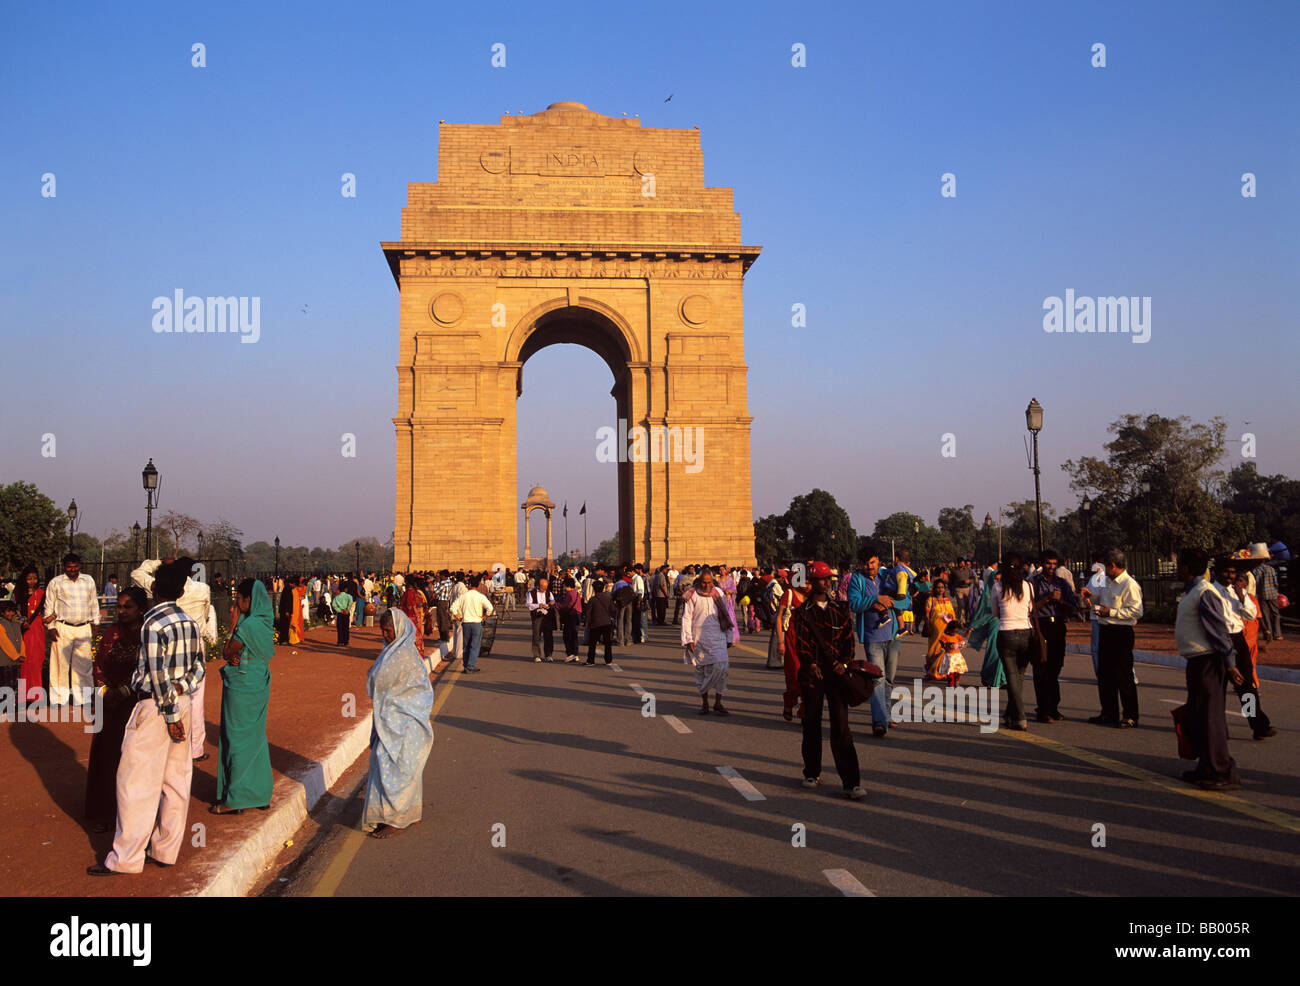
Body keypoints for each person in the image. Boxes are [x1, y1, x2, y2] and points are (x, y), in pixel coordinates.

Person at [88, 560, 205, 876]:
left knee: (134, 782)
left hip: (156, 708)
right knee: (175, 781)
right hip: (180, 702)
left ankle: (126, 858)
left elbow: (156, 674)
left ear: (153, 589)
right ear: (181, 591)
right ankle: (165, 849)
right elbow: (199, 668)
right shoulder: (189, 622)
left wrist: (168, 714)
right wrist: (180, 694)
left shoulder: (152, 623)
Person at [785, 562, 865, 800]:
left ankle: (852, 782)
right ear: (812, 581)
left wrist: (845, 662)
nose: (827, 582)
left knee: (842, 728)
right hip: (813, 675)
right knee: (811, 724)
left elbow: (849, 640)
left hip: (837, 674)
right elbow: (801, 644)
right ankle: (811, 772)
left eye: (829, 579)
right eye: (822, 579)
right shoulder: (801, 613)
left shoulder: (840, 609)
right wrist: (810, 664)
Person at [1175, 548, 1242, 791]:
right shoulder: (1192, 591)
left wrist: (1230, 665)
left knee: (1211, 718)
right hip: (1197, 661)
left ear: (1188, 567)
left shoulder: (1204, 592)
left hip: (1209, 662)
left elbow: (1219, 631)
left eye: (1179, 564)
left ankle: (1222, 770)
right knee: (1199, 715)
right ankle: (1207, 766)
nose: (1176, 568)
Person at [363, 610, 434, 838]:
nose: (386, 634)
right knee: (387, 765)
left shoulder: (403, 654)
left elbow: (377, 680)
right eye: (383, 630)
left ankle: (398, 818)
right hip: (390, 719)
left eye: (389, 630)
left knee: (399, 768)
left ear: (400, 628)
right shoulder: (391, 652)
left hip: (405, 721)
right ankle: (397, 814)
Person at [85, 586, 149, 832]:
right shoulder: (111, 632)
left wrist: (124, 691)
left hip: (135, 703)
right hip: (109, 701)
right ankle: (106, 813)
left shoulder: (147, 634)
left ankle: (131, 814)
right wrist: (103, 690)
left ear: (141, 609)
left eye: (127, 606)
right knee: (107, 756)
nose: (121, 611)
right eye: (119, 606)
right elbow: (98, 663)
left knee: (131, 759)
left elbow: (145, 671)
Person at [211, 579, 275, 814]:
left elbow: (228, 652)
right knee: (255, 736)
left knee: (236, 737)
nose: (236, 602)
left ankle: (236, 798)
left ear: (249, 600)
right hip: (258, 680)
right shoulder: (264, 622)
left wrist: (231, 626)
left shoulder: (246, 626)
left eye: (239, 597)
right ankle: (259, 792)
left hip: (242, 683)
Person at [1212, 562, 1276, 740]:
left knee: (1247, 686)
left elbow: (1250, 614)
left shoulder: (1237, 592)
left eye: (1233, 573)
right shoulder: (1210, 592)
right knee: (1219, 688)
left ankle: (1258, 725)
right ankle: (1218, 728)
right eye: (1226, 571)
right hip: (1219, 639)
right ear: (1216, 572)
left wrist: (1241, 596)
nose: (1230, 576)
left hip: (1238, 639)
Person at [1083, 549, 1144, 728]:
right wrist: (1089, 596)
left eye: (1106, 566)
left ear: (1113, 566)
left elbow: (1136, 611)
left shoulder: (1129, 584)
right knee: (1105, 674)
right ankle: (1108, 713)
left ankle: (1131, 715)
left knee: (1123, 674)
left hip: (1121, 632)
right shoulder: (1107, 582)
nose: (1104, 569)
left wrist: (1112, 612)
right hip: (1105, 629)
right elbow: (1099, 600)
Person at [848, 552, 901, 738]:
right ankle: (879, 722)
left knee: (890, 679)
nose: (869, 566)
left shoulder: (888, 576)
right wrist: (875, 600)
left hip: (892, 635)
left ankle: (886, 714)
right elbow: (854, 604)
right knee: (878, 678)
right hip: (873, 637)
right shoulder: (857, 579)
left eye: (872, 562)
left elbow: (906, 599)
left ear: (878, 560)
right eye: (865, 563)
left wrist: (891, 602)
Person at [989, 553, 1042, 731]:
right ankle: (1010, 714)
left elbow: (995, 612)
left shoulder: (997, 587)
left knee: (1011, 676)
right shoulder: (1027, 585)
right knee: (1019, 676)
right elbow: (1031, 609)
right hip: (1026, 632)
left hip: (1006, 632)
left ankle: (1019, 716)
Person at [43, 553, 100, 707]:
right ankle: (58, 701)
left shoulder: (88, 580)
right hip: (62, 627)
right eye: (69, 567)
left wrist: (96, 623)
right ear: (64, 567)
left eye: (75, 566)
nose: (73, 570)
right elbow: (49, 605)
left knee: (84, 666)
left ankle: (84, 700)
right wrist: (51, 627)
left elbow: (93, 602)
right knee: (59, 665)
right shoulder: (56, 582)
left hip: (83, 627)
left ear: (79, 565)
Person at [681, 569, 737, 715]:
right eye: (704, 583)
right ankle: (705, 703)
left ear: (713, 581)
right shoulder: (692, 594)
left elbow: (726, 614)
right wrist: (688, 639)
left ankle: (718, 702)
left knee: (722, 668)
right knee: (703, 671)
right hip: (699, 637)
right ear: (700, 582)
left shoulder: (719, 593)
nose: (707, 585)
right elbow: (687, 618)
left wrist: (729, 636)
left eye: (709, 582)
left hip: (718, 635)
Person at [1029, 549, 1076, 722]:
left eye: (1054, 564)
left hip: (1057, 625)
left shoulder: (1062, 583)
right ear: (1041, 563)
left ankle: (1053, 706)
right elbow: (1029, 607)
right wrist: (1048, 599)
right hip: (1041, 625)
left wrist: (1059, 600)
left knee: (1055, 667)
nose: (1051, 567)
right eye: (1048, 563)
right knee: (1041, 667)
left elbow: (1072, 606)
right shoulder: (1032, 583)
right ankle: (1043, 708)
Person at [14, 566, 45, 703]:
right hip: (24, 631)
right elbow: (14, 611)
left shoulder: (42, 594)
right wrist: (21, 622)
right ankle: (23, 696)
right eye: (29, 579)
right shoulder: (18, 594)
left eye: (35, 578)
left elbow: (47, 611)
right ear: (24, 579)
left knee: (37, 661)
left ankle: (36, 696)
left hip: (37, 630)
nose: (32, 581)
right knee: (24, 661)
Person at [450, 575, 494, 673]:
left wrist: (458, 616)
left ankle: (466, 665)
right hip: (476, 623)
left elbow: (452, 608)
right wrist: (485, 617)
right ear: (477, 585)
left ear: (469, 585)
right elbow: (490, 608)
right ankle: (470, 666)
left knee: (466, 645)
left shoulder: (463, 596)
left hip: (465, 623)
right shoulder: (480, 596)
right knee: (475, 645)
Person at [923, 580, 957, 680]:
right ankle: (932, 671)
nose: (940, 589)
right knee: (934, 650)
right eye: (938, 587)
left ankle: (944, 672)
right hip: (935, 630)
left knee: (946, 650)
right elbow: (927, 614)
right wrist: (929, 625)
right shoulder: (930, 600)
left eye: (942, 587)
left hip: (947, 630)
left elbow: (952, 614)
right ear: (934, 589)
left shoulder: (947, 600)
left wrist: (954, 627)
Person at [584, 579, 615, 666]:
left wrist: (587, 622)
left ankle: (590, 660)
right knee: (607, 643)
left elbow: (588, 613)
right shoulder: (608, 598)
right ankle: (608, 660)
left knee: (592, 643)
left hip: (595, 624)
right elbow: (613, 609)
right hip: (607, 623)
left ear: (594, 589)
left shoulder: (592, 599)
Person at [528, 576, 557, 662]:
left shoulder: (549, 592)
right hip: (537, 616)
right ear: (539, 586)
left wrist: (552, 603)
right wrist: (538, 605)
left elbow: (553, 601)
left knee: (548, 636)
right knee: (536, 636)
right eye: (543, 587)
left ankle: (548, 654)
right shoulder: (532, 593)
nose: (544, 589)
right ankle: (537, 655)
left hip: (547, 616)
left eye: (546, 587)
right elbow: (528, 604)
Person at [0, 600, 24, 700]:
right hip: (4, 662)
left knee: (14, 684)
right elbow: (5, 643)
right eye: (7, 611)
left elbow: (21, 641)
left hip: (16, 662)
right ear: (2, 613)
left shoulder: (16, 625)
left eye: (12, 611)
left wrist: (23, 654)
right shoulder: (1, 625)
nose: (10, 614)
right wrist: (16, 656)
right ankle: (3, 709)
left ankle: (11, 707)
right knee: (5, 685)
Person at [556, 576, 583, 663]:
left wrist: (556, 604)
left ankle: (570, 654)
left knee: (567, 636)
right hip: (577, 615)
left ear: (567, 585)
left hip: (570, 616)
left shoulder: (569, 594)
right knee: (574, 636)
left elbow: (565, 606)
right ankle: (575, 654)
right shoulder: (577, 593)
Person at [401, 578, 428, 660]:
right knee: (418, 636)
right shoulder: (418, 593)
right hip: (418, 618)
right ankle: (419, 653)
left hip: (409, 618)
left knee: (409, 637)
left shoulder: (408, 593)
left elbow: (405, 606)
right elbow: (423, 604)